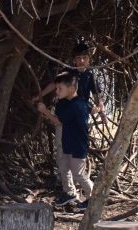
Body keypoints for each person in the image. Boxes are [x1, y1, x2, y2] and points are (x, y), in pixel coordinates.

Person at [33, 71, 93, 210]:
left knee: (79, 173)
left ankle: (93, 199)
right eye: (56, 88)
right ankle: (70, 193)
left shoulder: (77, 105)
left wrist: (44, 111)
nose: (57, 91)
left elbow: (58, 122)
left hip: (78, 145)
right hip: (67, 143)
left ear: (72, 89)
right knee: (63, 166)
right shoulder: (65, 103)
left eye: (60, 89)